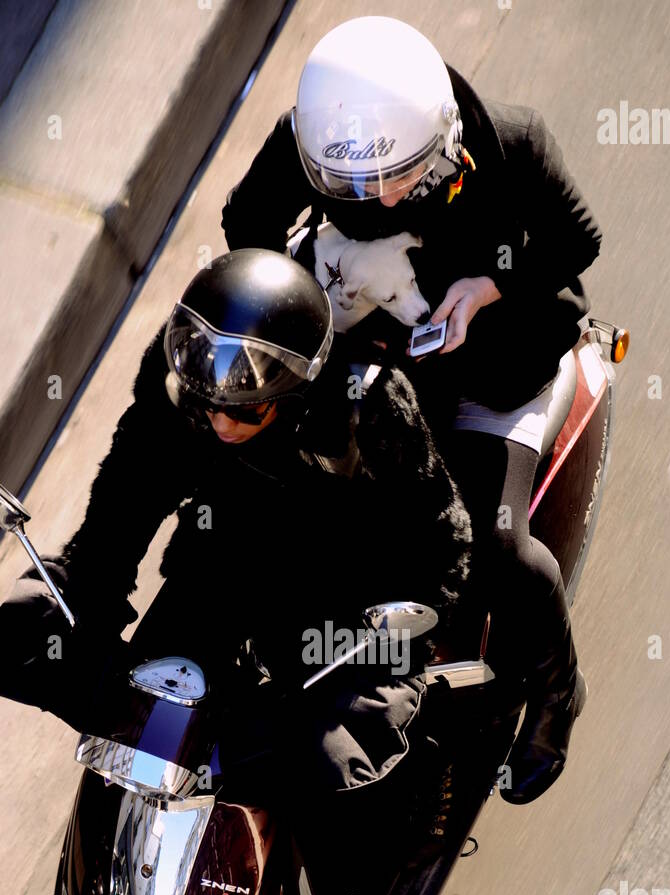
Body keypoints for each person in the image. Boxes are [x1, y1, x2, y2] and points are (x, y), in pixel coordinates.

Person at [0, 249, 473, 895]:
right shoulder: (183, 383)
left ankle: (427, 780)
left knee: (331, 771)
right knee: (128, 723)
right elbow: (128, 491)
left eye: (247, 410)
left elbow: (442, 541)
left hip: (342, 600)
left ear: (292, 390)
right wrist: (84, 580)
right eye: (210, 406)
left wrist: (395, 632)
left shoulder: (366, 406)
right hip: (220, 567)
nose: (222, 423)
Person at [220, 15, 599, 802]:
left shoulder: (515, 142)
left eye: (392, 180)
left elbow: (576, 241)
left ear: (442, 140)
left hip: (501, 359)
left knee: (497, 546)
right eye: (347, 189)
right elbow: (244, 226)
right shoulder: (308, 141)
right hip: (383, 349)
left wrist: (490, 287)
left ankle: (559, 689)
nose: (373, 202)